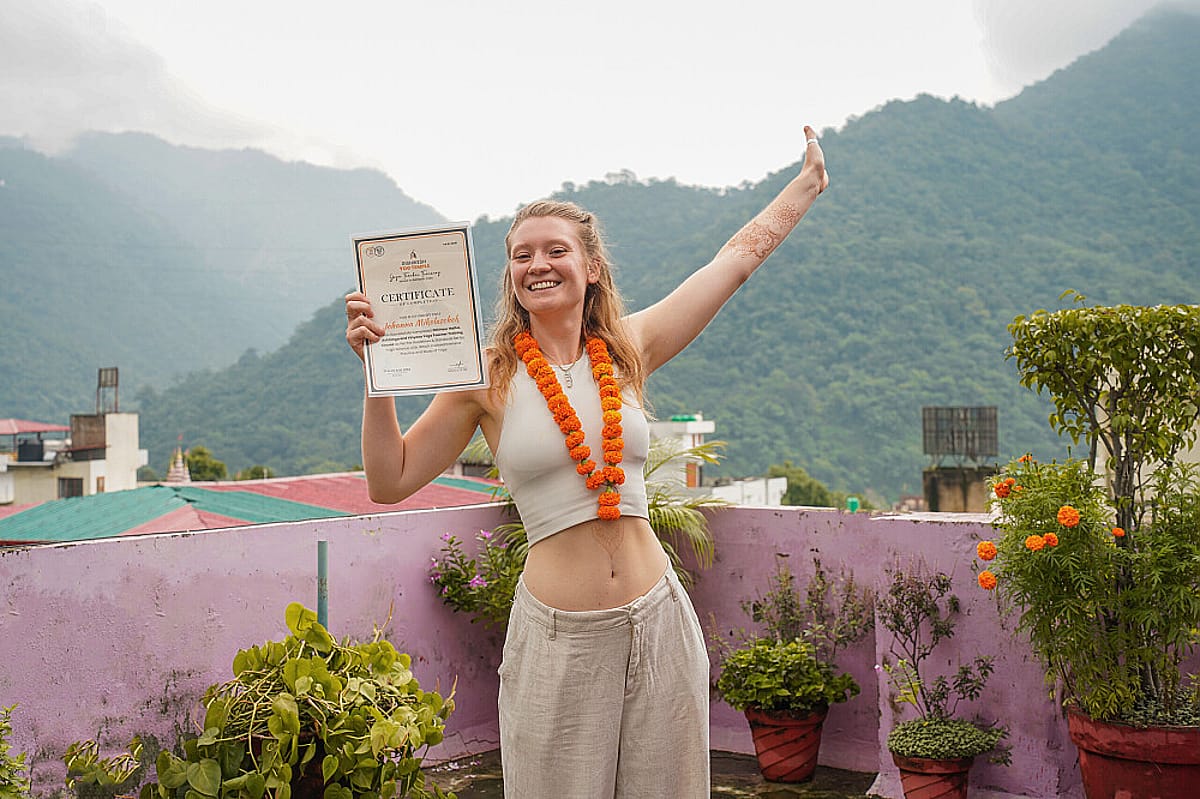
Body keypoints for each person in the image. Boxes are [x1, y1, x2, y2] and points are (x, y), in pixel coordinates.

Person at [345, 127, 829, 798]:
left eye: (556, 250)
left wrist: (804, 187)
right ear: (510, 276)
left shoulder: (629, 348)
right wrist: (378, 377)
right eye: (521, 255)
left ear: (591, 267)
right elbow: (389, 480)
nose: (537, 264)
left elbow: (731, 265)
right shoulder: (484, 375)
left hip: (659, 621)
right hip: (557, 641)